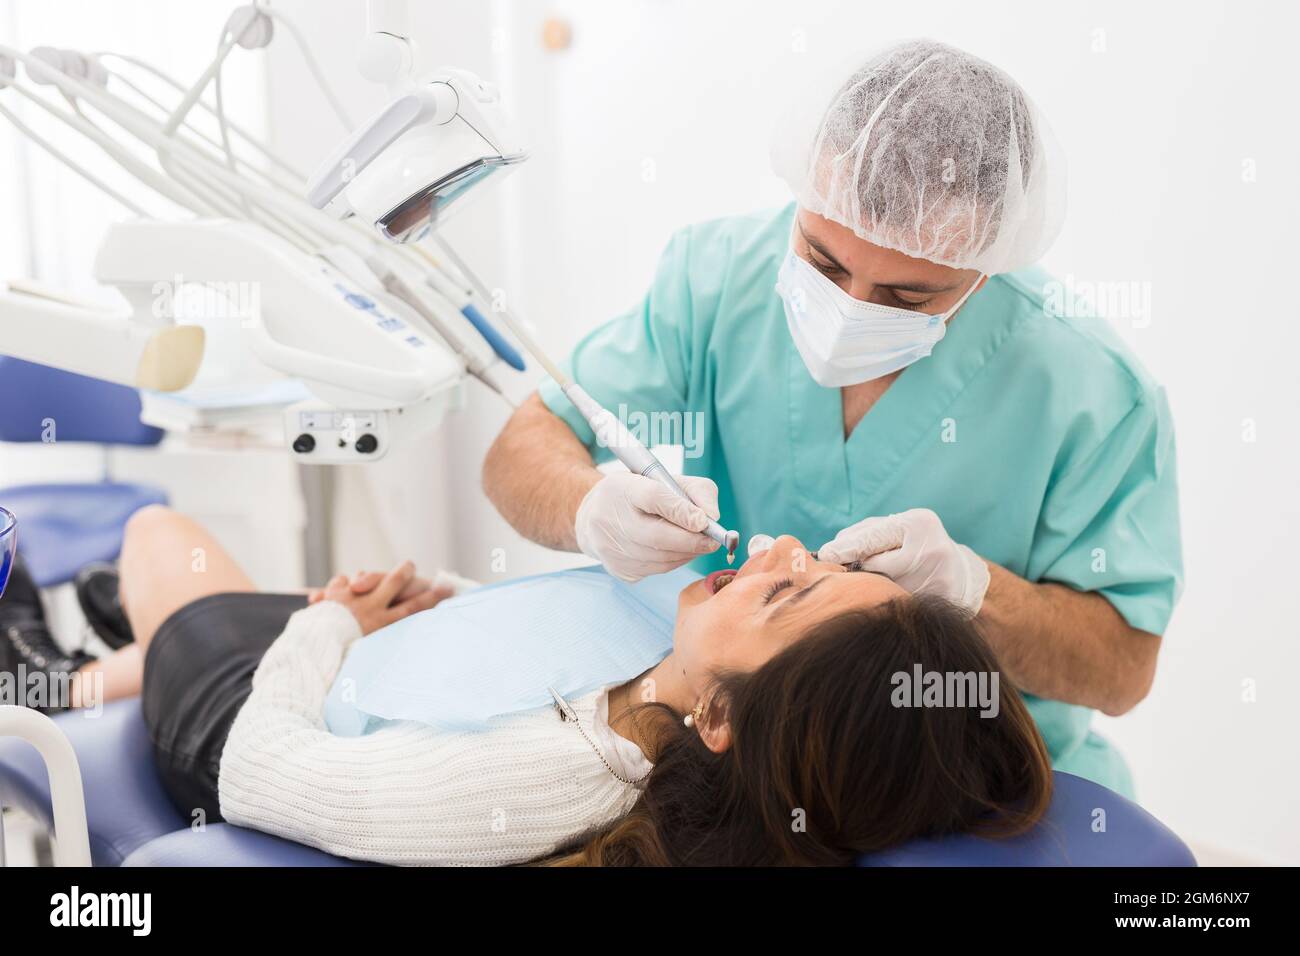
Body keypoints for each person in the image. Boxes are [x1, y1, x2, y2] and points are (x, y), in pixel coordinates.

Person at [482, 39, 1183, 797]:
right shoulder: (715, 280)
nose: (851, 308)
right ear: (809, 185)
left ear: (986, 265)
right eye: (822, 262)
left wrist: (977, 592)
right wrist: (589, 508)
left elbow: (1121, 671)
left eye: (907, 298)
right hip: (724, 758)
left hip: (958, 779)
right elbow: (521, 449)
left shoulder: (1089, 389)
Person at [0, 505, 1050, 866]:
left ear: (722, 716)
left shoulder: (534, 786)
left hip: (240, 716)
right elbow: (538, 644)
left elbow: (259, 769)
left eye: (788, 591)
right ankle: (93, 665)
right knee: (224, 585)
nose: (777, 546)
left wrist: (329, 622)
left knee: (160, 538)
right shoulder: (685, 675)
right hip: (375, 668)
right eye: (818, 560)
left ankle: (64, 680)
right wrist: (443, 602)